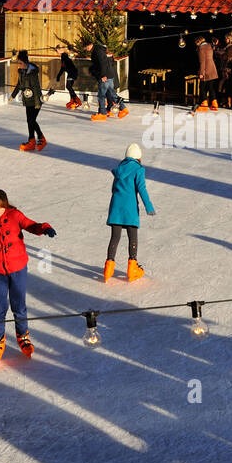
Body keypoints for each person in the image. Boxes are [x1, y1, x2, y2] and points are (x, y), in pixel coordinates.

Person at [0, 189, 57, 366]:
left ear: (5, 206)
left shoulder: (15, 215)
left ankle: (23, 336)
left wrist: (44, 228)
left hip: (18, 267)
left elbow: (30, 225)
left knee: (19, 305)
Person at [104, 142, 156, 282]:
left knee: (115, 237)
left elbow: (113, 188)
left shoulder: (120, 168)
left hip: (116, 206)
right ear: (138, 157)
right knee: (132, 237)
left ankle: (108, 267)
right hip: (130, 208)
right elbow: (141, 189)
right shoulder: (138, 169)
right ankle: (132, 267)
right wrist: (149, 206)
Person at [11, 50, 46, 151]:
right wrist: (13, 95)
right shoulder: (21, 72)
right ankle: (31, 141)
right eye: (18, 63)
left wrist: (37, 103)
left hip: (36, 100)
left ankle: (41, 139)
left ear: (25, 63)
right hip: (27, 99)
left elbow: (36, 88)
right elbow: (19, 84)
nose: (18, 65)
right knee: (29, 121)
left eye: (20, 63)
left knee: (31, 120)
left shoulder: (32, 73)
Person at [90, 39, 127, 120]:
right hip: (110, 76)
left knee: (102, 95)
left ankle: (102, 113)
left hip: (106, 76)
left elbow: (102, 65)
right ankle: (123, 108)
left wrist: (102, 75)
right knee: (111, 94)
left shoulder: (101, 54)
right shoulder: (108, 56)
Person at [195, 36, 219, 112]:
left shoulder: (201, 48)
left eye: (196, 43)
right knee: (211, 87)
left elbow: (202, 62)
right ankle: (215, 104)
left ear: (199, 41)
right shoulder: (209, 46)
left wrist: (201, 73)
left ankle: (204, 104)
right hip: (212, 69)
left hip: (206, 70)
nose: (196, 44)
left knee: (202, 87)